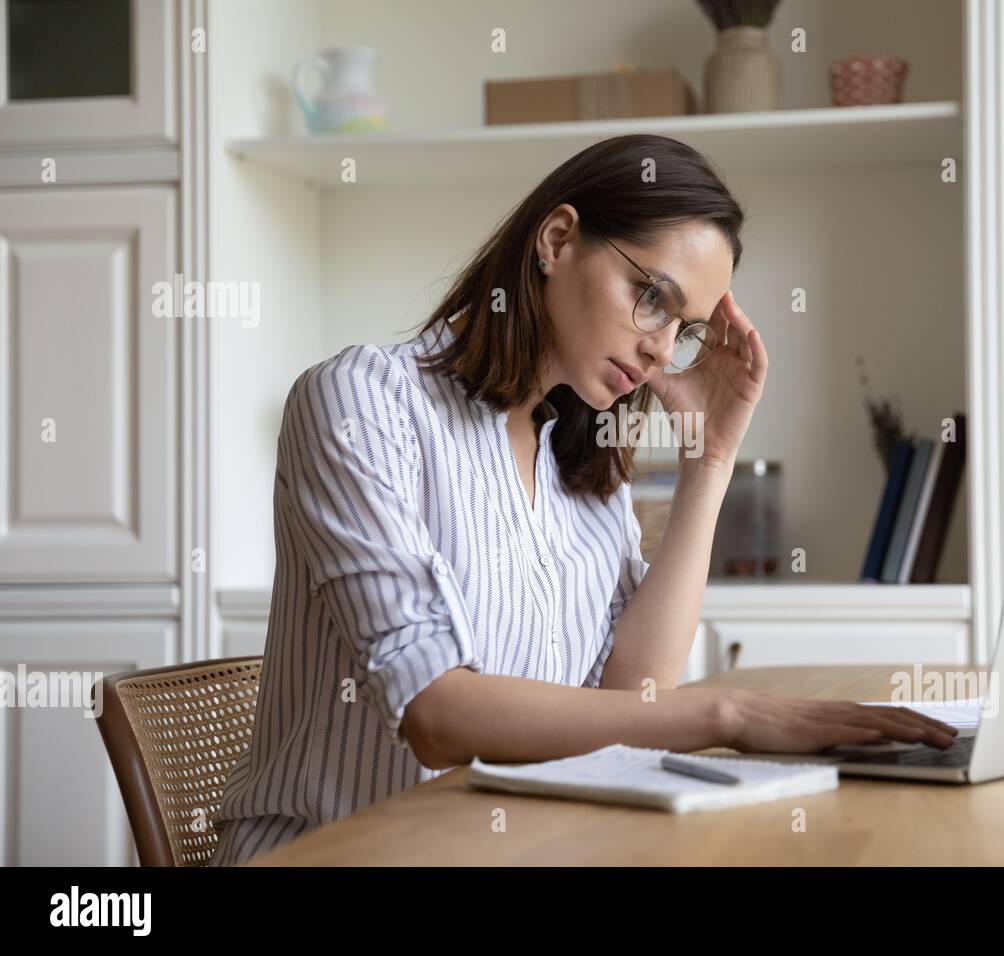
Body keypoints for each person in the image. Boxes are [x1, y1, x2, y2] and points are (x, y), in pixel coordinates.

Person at [209, 134, 954, 866]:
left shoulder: (582, 456)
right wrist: (732, 713)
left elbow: (634, 701)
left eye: (686, 329)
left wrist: (709, 461)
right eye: (651, 297)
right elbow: (435, 714)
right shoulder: (362, 401)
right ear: (558, 240)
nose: (665, 348)